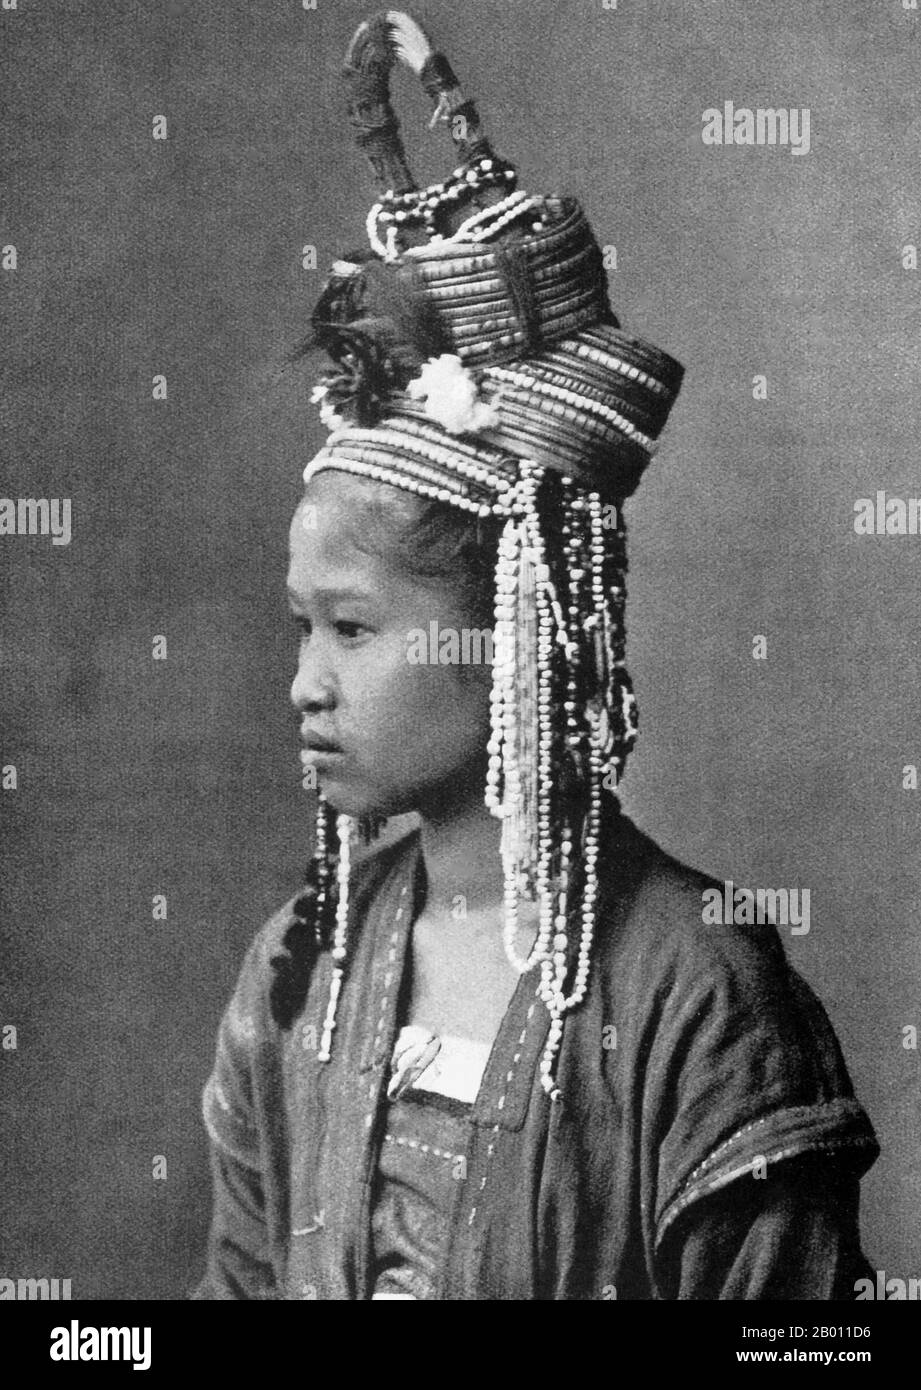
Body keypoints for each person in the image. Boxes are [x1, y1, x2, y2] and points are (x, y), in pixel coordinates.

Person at [193, 11, 878, 1300]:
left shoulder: (702, 995)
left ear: (514, 626)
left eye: (354, 628)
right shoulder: (296, 976)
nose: (306, 682)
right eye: (303, 628)